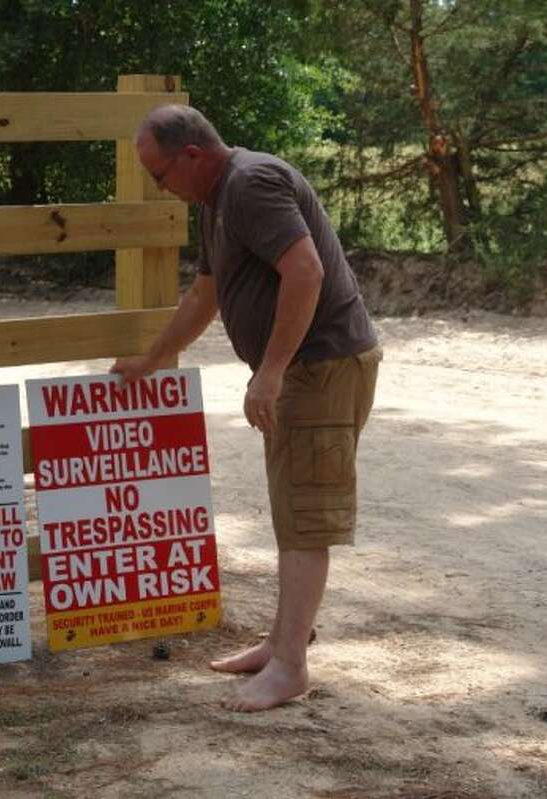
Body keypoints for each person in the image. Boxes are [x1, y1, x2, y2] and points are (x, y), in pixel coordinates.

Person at [112, 104, 382, 712]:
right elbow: (206, 292)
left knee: (306, 515)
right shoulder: (218, 199)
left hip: (318, 366)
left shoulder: (250, 184)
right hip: (306, 368)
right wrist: (152, 358)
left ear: (192, 155)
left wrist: (272, 370)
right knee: (292, 506)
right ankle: (281, 645)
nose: (160, 188)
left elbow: (306, 272)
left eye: (160, 175)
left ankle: (290, 668)